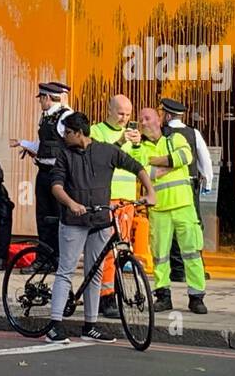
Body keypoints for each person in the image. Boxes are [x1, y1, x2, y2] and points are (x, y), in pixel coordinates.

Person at [45, 112, 156, 343]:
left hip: (100, 220)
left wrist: (150, 192)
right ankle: (54, 326)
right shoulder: (65, 156)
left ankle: (90, 326)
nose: (64, 137)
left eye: (67, 133)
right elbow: (56, 186)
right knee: (66, 271)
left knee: (94, 273)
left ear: (78, 133)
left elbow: (138, 168)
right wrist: (71, 203)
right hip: (74, 221)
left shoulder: (106, 151)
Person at [138, 106, 207, 313]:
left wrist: (156, 163)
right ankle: (163, 295)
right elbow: (143, 171)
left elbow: (186, 157)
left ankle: (197, 297)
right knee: (160, 256)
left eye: (147, 118)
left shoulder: (175, 138)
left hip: (184, 206)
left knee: (192, 253)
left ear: (159, 120)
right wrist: (170, 163)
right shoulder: (140, 147)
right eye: (140, 119)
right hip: (159, 208)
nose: (143, 122)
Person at [89, 95, 148, 318]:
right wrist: (121, 142)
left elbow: (141, 163)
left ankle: (113, 291)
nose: (124, 119)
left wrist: (138, 144)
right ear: (109, 110)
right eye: (120, 113)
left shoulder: (132, 136)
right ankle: (105, 297)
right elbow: (100, 158)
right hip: (106, 199)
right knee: (105, 251)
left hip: (126, 201)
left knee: (121, 250)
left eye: (128, 115)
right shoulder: (97, 131)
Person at [10, 82, 73, 256]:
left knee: (58, 215)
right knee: (43, 216)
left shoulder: (65, 117)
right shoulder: (46, 117)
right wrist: (24, 144)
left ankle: (59, 257)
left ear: (46, 98)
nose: (40, 103)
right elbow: (44, 145)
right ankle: (44, 257)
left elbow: (70, 146)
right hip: (44, 172)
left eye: (41, 99)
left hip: (58, 174)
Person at [159, 98, 212, 284]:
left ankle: (177, 269)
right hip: (189, 184)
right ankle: (197, 267)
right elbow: (204, 159)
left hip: (165, 186)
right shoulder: (193, 132)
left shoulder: (161, 133)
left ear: (166, 115)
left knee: (171, 228)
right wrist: (208, 182)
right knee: (192, 226)